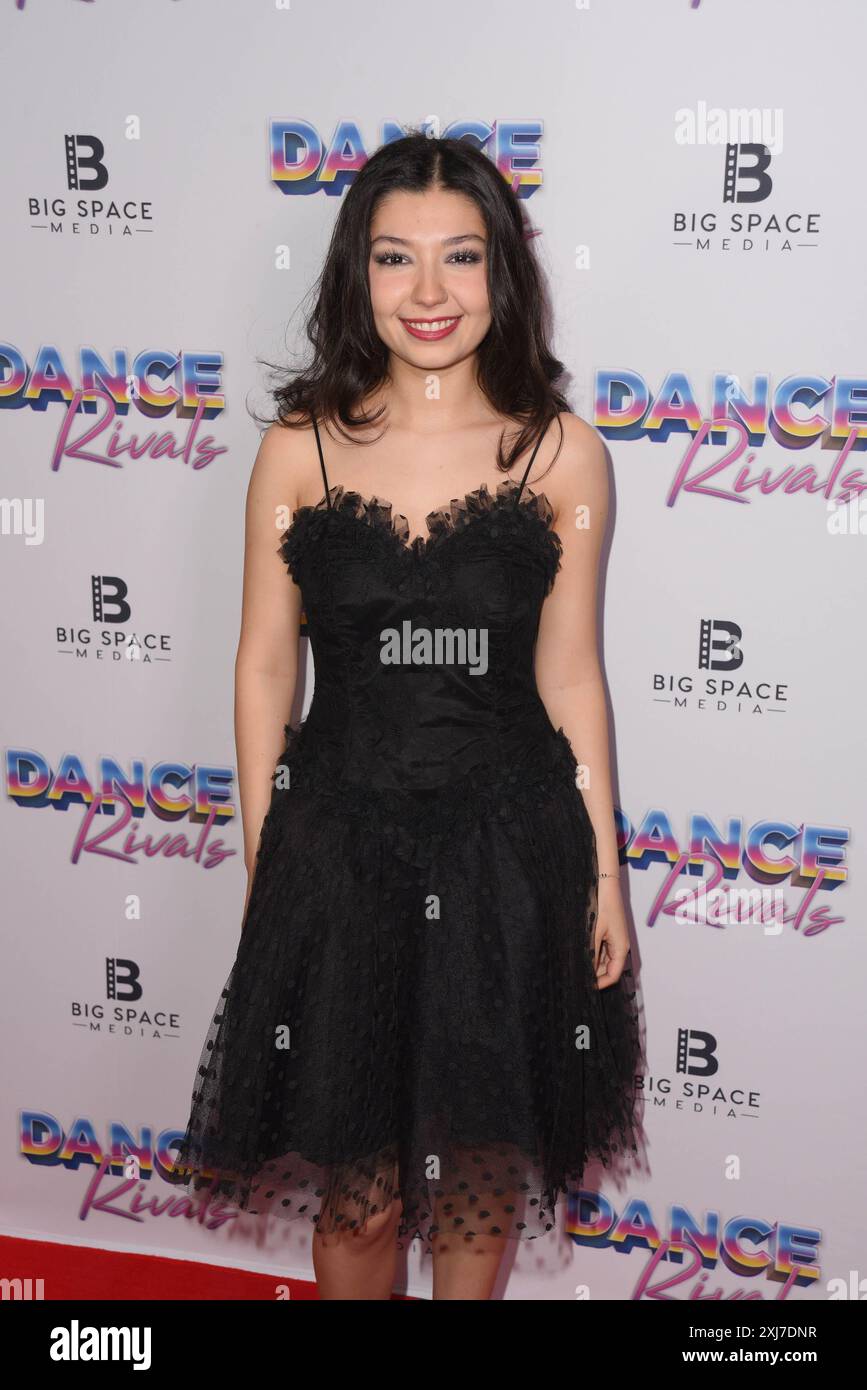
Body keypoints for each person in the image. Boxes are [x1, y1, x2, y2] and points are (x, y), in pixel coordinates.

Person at [174, 131, 641, 1301]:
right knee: (359, 1192)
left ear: (504, 274)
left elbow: (573, 675)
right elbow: (265, 667)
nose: (429, 293)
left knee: (477, 1181)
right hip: (341, 851)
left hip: (510, 854)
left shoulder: (563, 456)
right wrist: (262, 851)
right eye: (395, 258)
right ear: (356, 274)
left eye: (460, 257)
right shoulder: (298, 453)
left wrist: (609, 877)